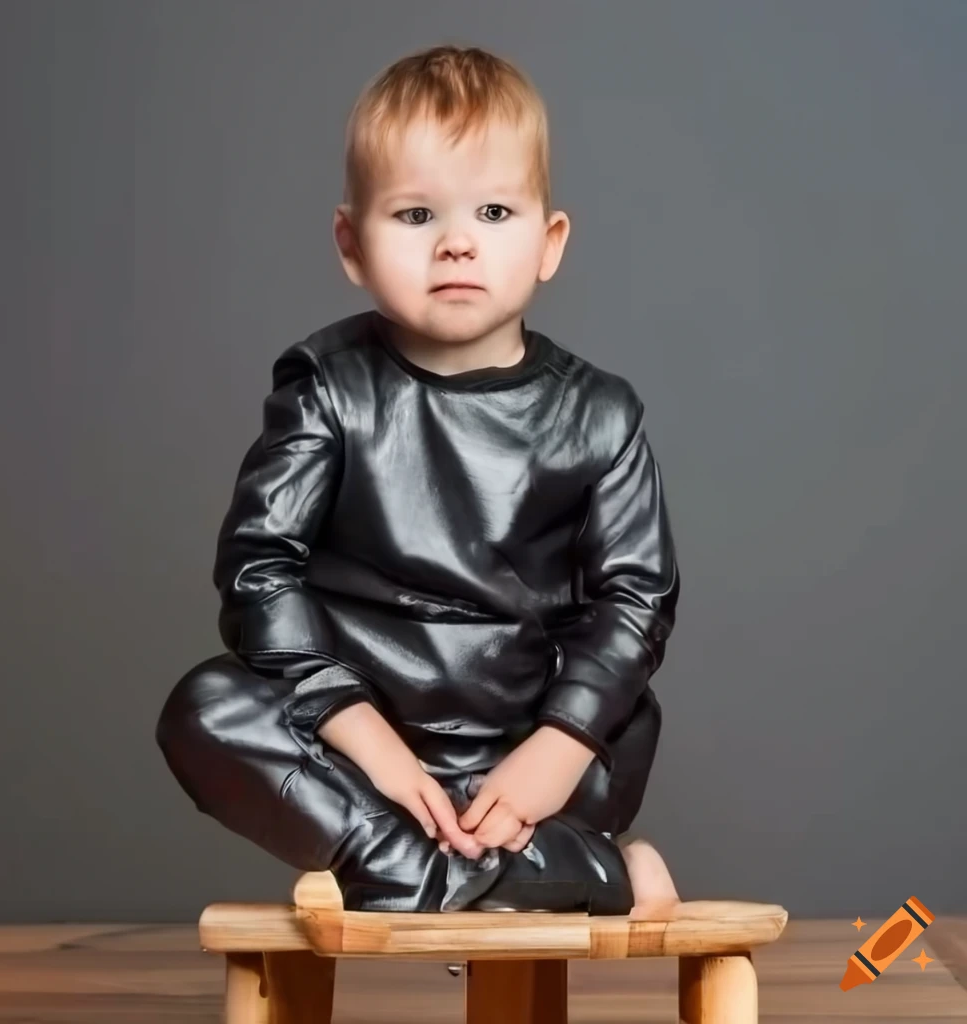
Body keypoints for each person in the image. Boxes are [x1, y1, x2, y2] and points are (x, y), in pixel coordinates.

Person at [156, 43, 682, 917]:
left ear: (549, 242)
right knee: (204, 708)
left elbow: (635, 602)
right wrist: (370, 743)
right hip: (358, 747)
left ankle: (416, 875)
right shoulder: (327, 389)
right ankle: (560, 876)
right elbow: (258, 572)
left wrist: (554, 749)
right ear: (351, 244)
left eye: (493, 210)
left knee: (628, 712)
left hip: (529, 743)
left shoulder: (601, 414)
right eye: (415, 216)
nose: (458, 243)